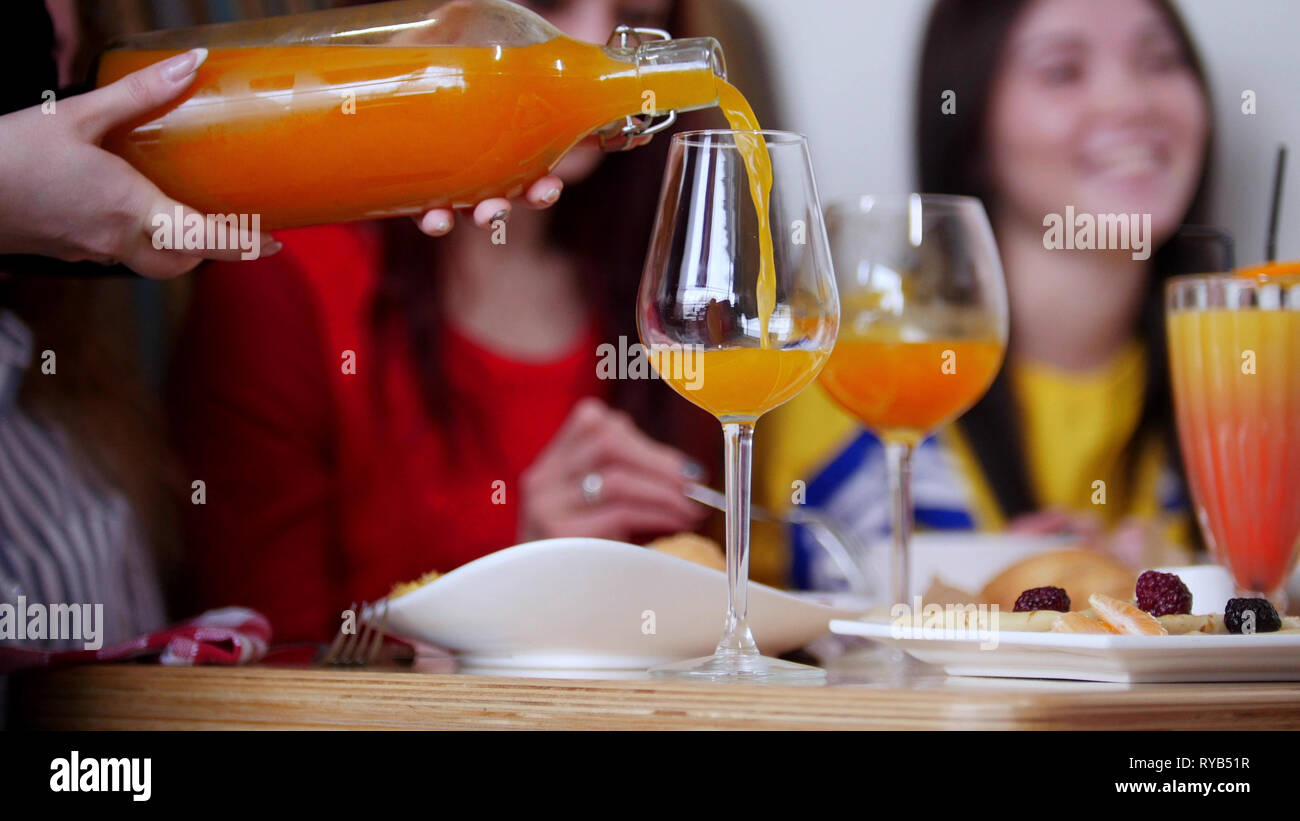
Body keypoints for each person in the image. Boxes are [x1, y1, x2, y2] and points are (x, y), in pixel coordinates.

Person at [168, 0, 764, 641]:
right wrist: (513, 595)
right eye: (547, 5)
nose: (594, 40)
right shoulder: (281, 279)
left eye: (634, 12)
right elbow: (263, 666)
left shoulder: (662, 292)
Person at [758, 0, 1217, 590]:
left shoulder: (1257, 375)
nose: (1131, 102)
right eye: (1062, 70)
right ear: (971, 130)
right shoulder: (854, 361)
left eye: (1161, 61)